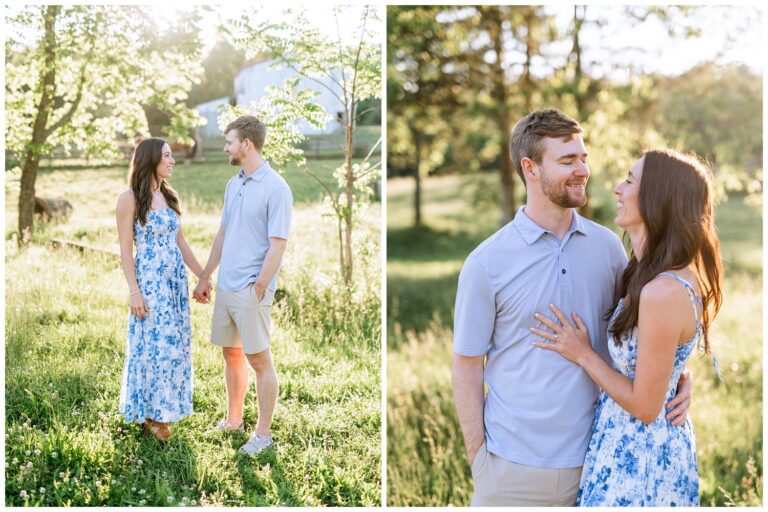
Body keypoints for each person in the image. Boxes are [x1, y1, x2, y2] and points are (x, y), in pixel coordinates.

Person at [452, 109, 693, 506]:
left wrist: (678, 378)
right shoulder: (487, 262)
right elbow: (466, 363)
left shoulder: (609, 248)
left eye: (583, 158)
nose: (582, 170)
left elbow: (643, 333)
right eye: (567, 161)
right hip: (512, 468)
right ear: (530, 168)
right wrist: (479, 459)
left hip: (600, 462)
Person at [531, 148, 723, 506]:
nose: (617, 189)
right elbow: (659, 359)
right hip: (622, 447)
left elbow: (646, 406)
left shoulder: (662, 290)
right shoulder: (646, 273)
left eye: (630, 180)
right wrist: (678, 379)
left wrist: (583, 354)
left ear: (657, 198)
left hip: (642, 463)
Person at [193, 115, 292, 456]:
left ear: (246, 144)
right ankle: (234, 419)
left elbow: (278, 243)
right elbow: (223, 233)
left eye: (230, 142)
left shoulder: (277, 187)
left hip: (251, 289)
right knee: (231, 354)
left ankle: (263, 435)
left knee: (260, 361)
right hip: (226, 287)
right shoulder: (233, 183)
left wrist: (260, 286)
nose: (226, 148)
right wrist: (207, 275)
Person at [116, 137, 207, 441]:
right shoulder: (129, 198)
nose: (172, 161)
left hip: (174, 283)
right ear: (151, 159)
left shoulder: (170, 195)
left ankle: (165, 407)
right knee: (154, 346)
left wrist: (203, 276)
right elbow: (126, 252)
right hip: (150, 281)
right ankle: (151, 414)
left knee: (173, 347)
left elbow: (182, 243)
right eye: (167, 156)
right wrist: (134, 292)